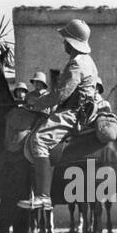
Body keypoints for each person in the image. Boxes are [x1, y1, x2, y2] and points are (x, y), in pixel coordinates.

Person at [18, 19, 99, 210]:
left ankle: (43, 196)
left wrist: (37, 104)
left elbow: (61, 94)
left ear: (72, 42)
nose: (63, 43)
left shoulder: (76, 64)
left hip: (72, 112)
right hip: (78, 108)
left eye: (65, 39)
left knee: (38, 140)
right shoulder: (89, 61)